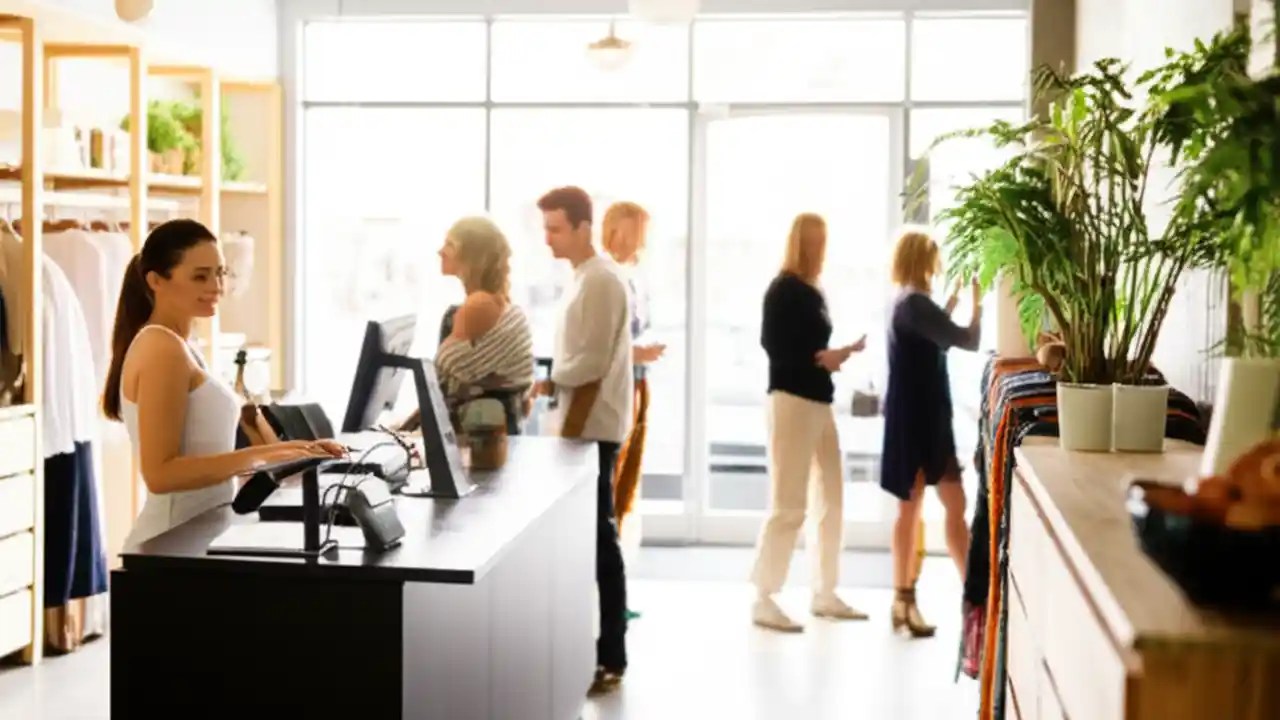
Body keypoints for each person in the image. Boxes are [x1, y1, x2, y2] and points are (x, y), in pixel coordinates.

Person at [102, 219, 345, 552]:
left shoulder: (182, 344)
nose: (216, 286)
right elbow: (161, 475)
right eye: (200, 276)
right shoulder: (162, 349)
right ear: (156, 281)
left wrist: (295, 451)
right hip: (170, 542)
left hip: (197, 531)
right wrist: (264, 455)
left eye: (221, 273)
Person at [532, 186, 633, 695]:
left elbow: (590, 365)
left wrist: (556, 382)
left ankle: (611, 655)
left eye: (554, 228)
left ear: (581, 227)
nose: (547, 238)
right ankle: (601, 653)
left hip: (591, 428)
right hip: (583, 423)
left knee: (599, 543)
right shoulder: (586, 278)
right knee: (594, 541)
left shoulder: (600, 281)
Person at [750, 212, 869, 633]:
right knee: (789, 504)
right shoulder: (783, 289)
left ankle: (824, 591)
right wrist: (823, 358)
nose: (819, 249)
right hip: (792, 402)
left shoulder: (812, 290)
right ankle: (764, 596)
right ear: (799, 244)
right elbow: (775, 346)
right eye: (813, 242)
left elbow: (807, 346)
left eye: (823, 241)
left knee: (831, 498)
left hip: (819, 401)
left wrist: (832, 355)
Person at [880, 228, 981, 638]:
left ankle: (914, 598)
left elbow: (931, 339)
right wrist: (977, 303)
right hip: (921, 422)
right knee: (933, 508)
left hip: (917, 418)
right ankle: (929, 597)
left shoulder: (904, 303)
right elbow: (966, 340)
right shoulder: (916, 305)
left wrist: (952, 302)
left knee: (924, 509)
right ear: (924, 261)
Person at [600, 202, 664, 563]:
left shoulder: (635, 277)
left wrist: (643, 352)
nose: (639, 240)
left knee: (628, 481)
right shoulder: (605, 278)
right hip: (619, 386)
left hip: (640, 383)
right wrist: (635, 353)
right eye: (633, 230)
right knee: (613, 479)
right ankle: (608, 575)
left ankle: (618, 568)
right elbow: (602, 343)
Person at [429, 216, 534, 433]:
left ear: (471, 257)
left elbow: (439, 387)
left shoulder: (478, 306)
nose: (440, 251)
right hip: (501, 435)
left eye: (450, 244)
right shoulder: (498, 302)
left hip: (478, 442)